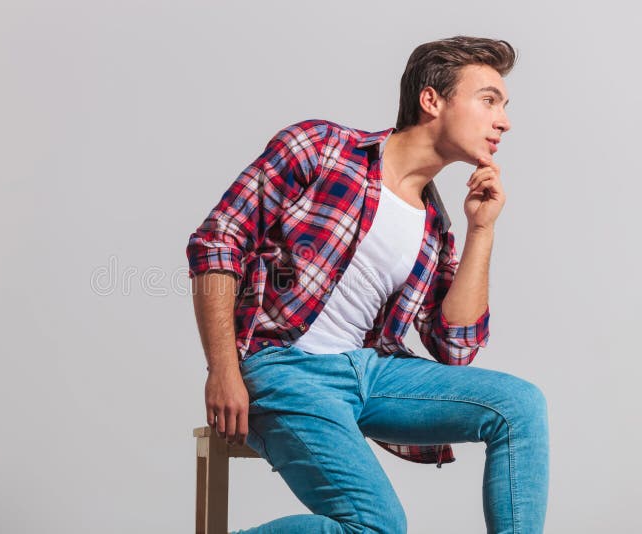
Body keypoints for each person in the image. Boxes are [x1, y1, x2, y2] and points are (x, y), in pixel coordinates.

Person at [186, 36, 549, 534]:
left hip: (370, 374)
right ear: (432, 100)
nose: (504, 120)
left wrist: (481, 229)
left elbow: (454, 346)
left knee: (519, 406)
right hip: (285, 367)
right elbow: (218, 242)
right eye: (489, 99)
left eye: (504, 106)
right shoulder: (321, 147)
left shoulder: (434, 226)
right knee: (378, 528)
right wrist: (223, 370)